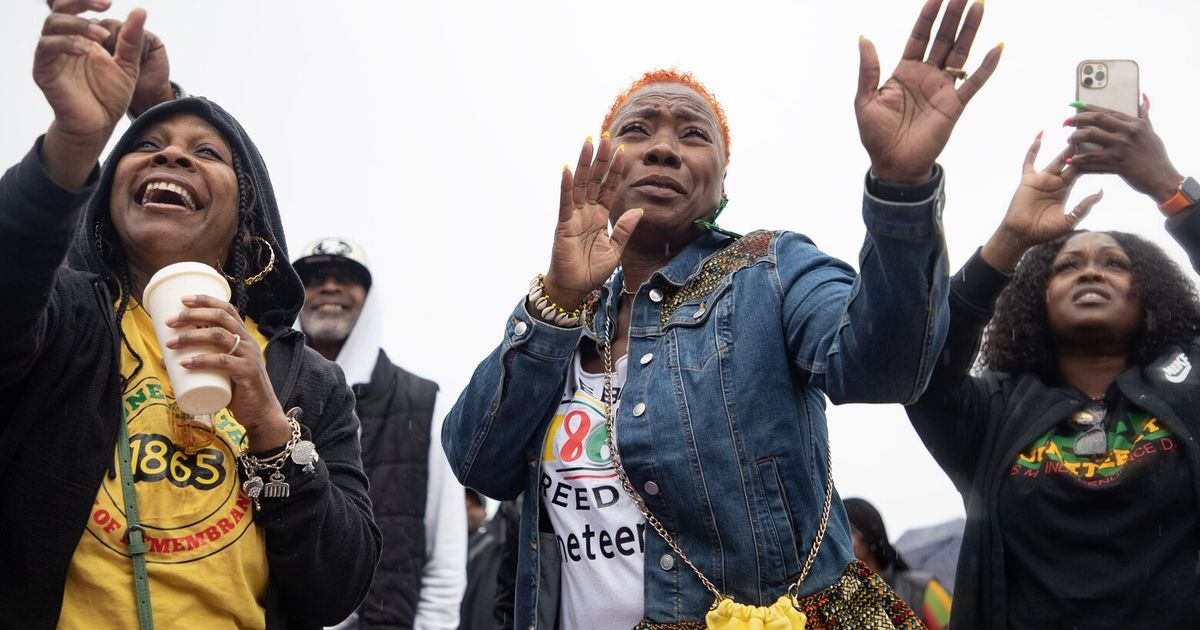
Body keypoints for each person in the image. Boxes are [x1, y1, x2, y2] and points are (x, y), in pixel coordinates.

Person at [442, 0, 1003, 625]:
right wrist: (557, 305)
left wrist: (902, 187)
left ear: (722, 178)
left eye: (692, 133)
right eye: (636, 130)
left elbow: (886, 365)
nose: (662, 148)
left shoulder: (773, 269)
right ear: (604, 163)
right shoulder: (560, 313)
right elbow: (478, 462)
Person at [0, 2, 379, 627]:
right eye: (145, 146)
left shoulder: (307, 381)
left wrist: (269, 427)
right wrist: (72, 144)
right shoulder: (64, 317)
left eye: (205, 153)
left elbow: (337, 586)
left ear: (248, 219)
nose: (170, 157)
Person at [906, 96, 1200, 628]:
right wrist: (1011, 239)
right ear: (1036, 298)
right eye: (1067, 266)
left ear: (1149, 294)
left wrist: (1168, 185)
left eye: (1115, 263)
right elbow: (919, 361)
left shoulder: (1191, 382)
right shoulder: (992, 412)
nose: (1092, 272)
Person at [292, 238, 467, 629]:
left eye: (347, 278)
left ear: (370, 299)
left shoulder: (423, 403)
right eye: (315, 277)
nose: (330, 287)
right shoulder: (261, 392)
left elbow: (445, 552)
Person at [843, 498, 952, 630]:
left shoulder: (923, 588)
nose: (840, 541)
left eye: (848, 530)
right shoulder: (836, 603)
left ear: (866, 534)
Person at [459, 489, 504, 630]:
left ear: (484, 513)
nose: (467, 510)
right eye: (464, 506)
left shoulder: (494, 539)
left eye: (473, 506)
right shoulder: (446, 548)